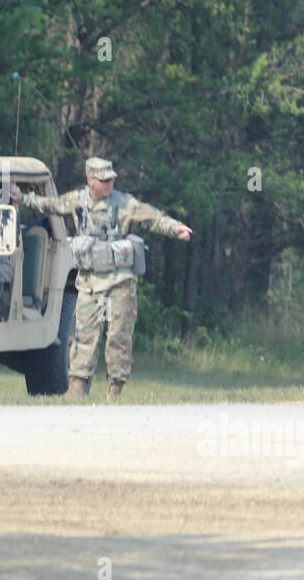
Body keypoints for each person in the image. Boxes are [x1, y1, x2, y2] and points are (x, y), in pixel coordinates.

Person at [10, 157, 192, 401]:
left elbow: (154, 218)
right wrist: (22, 198)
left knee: (118, 337)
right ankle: (75, 389)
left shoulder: (125, 203)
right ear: (90, 179)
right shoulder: (77, 200)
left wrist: (176, 228)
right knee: (83, 335)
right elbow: (50, 204)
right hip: (89, 283)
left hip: (120, 283)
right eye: (104, 180)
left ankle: (115, 390)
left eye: (111, 179)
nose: (109, 184)